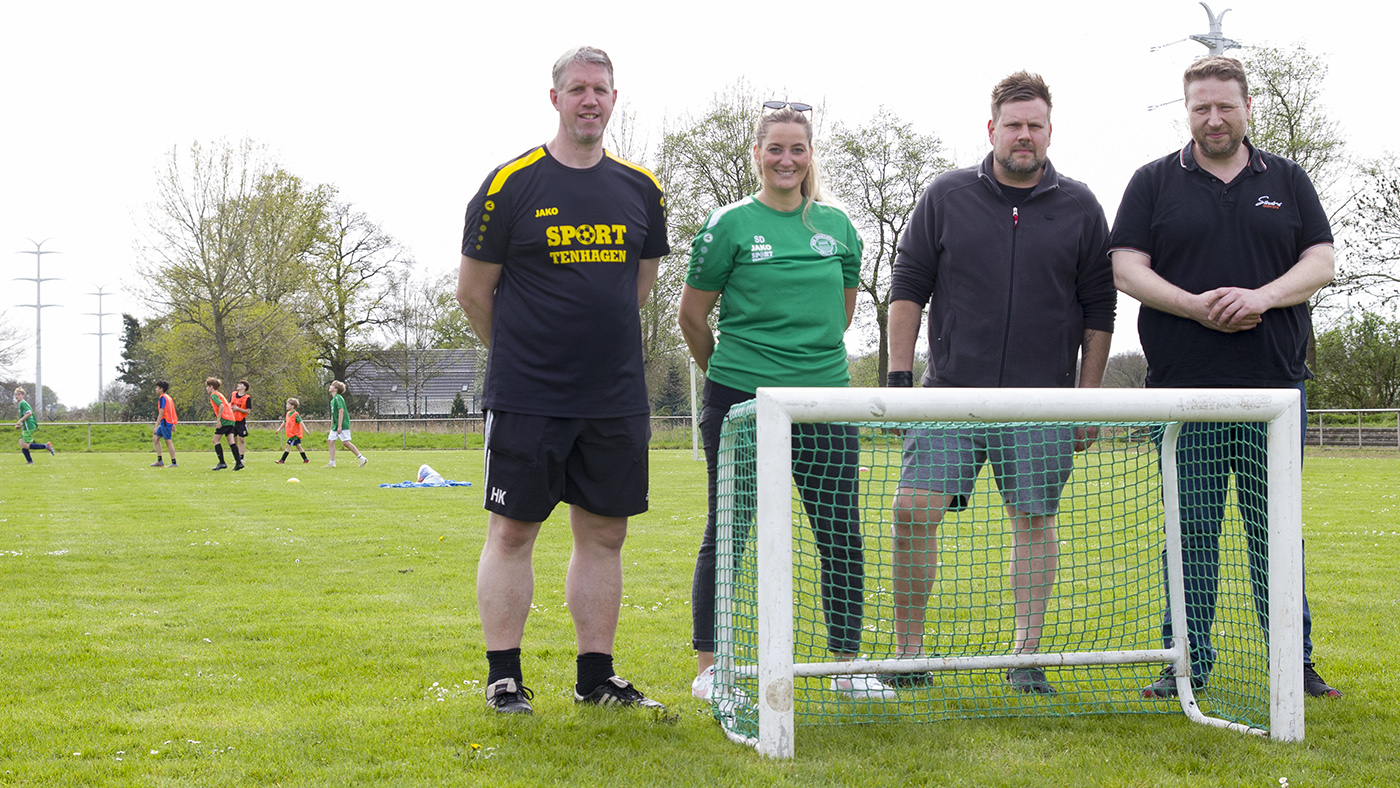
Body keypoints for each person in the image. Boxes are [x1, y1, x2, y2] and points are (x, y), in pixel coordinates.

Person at [1109, 55, 1341, 699]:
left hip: (1275, 388)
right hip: (1185, 390)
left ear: (1246, 106)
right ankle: (1186, 662)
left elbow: (1321, 260)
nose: (1214, 118)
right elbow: (1126, 268)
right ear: (1187, 111)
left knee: (1277, 534)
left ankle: (1294, 661)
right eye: (1201, 108)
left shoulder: (1288, 180)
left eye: (1225, 106)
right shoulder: (1153, 181)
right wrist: (1196, 306)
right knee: (1190, 537)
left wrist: (1261, 297)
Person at [886, 72, 1115, 694]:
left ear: (1049, 130)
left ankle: (1026, 656)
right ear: (991, 129)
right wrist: (899, 380)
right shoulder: (946, 195)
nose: (1023, 135)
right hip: (951, 394)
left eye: (1034, 125)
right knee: (912, 511)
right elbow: (907, 287)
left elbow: (1100, 311)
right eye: (1012, 124)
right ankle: (908, 655)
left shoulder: (1081, 205)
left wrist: (1085, 402)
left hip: (1041, 400)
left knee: (1033, 520)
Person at [455, 45, 668, 716]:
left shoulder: (641, 188)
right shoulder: (509, 185)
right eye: (577, 89)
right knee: (513, 532)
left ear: (613, 99)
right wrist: (525, 356)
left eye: (600, 90)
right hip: (529, 396)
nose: (589, 100)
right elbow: (472, 292)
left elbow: (638, 288)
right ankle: (504, 678)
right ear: (555, 98)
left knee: (604, 535)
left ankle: (596, 677)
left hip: (614, 398)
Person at [678, 101, 894, 702]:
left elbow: (841, 313)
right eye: (775, 147)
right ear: (757, 153)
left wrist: (804, 364)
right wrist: (731, 375)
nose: (786, 159)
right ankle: (710, 668)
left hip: (823, 402)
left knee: (840, 531)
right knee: (730, 530)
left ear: (809, 155)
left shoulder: (839, 226)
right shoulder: (728, 226)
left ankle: (846, 665)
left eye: (797, 149)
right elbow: (693, 318)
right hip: (740, 401)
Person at [325, 380, 366, 468]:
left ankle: (361, 458)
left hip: (342, 424)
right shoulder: (333, 400)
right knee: (330, 441)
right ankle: (332, 463)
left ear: (336, 389)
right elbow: (333, 414)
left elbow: (341, 411)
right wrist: (332, 425)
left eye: (332, 386)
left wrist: (339, 426)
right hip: (335, 425)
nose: (330, 387)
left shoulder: (338, 398)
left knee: (346, 443)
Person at [206, 377, 242, 471]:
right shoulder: (219, 394)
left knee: (215, 440)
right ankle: (238, 463)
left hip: (224, 419)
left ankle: (222, 462)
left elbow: (221, 406)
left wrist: (218, 420)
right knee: (231, 441)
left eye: (207, 386)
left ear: (211, 387)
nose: (206, 389)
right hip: (231, 419)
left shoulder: (214, 395)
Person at [13, 387, 54, 464]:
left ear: (23, 395)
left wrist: (19, 421)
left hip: (29, 426)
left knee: (26, 445)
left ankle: (46, 446)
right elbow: (26, 416)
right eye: (15, 394)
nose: (17, 396)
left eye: (19, 394)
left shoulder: (23, 403)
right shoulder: (20, 404)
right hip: (26, 425)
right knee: (21, 443)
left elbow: (29, 413)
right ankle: (29, 461)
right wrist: (20, 425)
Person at [151, 380, 179, 468]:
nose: (155, 389)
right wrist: (173, 423)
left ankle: (174, 462)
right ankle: (160, 461)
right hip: (166, 422)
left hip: (165, 422)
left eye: (157, 387)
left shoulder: (163, 398)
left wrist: (156, 426)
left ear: (161, 389)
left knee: (168, 441)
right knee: (155, 439)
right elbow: (171, 411)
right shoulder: (168, 398)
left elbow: (162, 412)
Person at [275, 397, 309, 464]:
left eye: (288, 404)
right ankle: (306, 459)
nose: (286, 406)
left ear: (292, 406)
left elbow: (301, 422)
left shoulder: (295, 414)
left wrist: (306, 430)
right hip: (292, 434)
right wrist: (279, 429)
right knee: (298, 446)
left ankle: (282, 460)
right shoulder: (288, 414)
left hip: (295, 434)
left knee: (287, 445)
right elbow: (284, 422)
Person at [230, 380, 251, 459]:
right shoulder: (233, 394)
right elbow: (230, 403)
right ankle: (237, 457)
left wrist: (238, 409)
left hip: (241, 420)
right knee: (234, 440)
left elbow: (248, 411)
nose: (238, 385)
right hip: (232, 420)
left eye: (240, 384)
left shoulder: (247, 398)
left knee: (241, 439)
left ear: (244, 387)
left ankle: (242, 457)